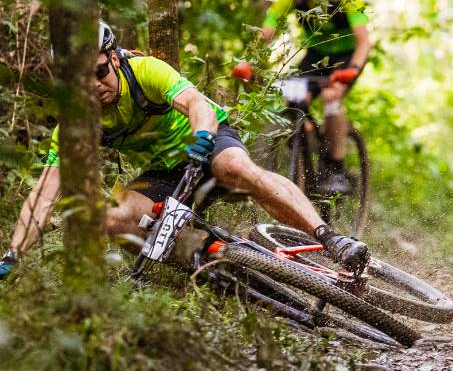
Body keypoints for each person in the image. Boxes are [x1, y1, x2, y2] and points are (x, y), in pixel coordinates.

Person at [0, 22, 368, 281]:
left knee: (235, 167)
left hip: (206, 142)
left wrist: (201, 140)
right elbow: (44, 195)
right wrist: (12, 255)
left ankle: (329, 239)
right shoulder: (76, 124)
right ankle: (207, 264)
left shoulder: (144, 71)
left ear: (113, 58)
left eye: (98, 72)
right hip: (165, 172)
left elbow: (197, 104)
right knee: (110, 219)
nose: (94, 86)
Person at [260, 0, 370, 195]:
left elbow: (364, 41)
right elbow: (269, 26)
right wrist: (248, 60)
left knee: (332, 98)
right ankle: (304, 150)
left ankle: (336, 168)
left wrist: (351, 70)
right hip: (316, 55)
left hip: (347, 55)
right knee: (295, 98)